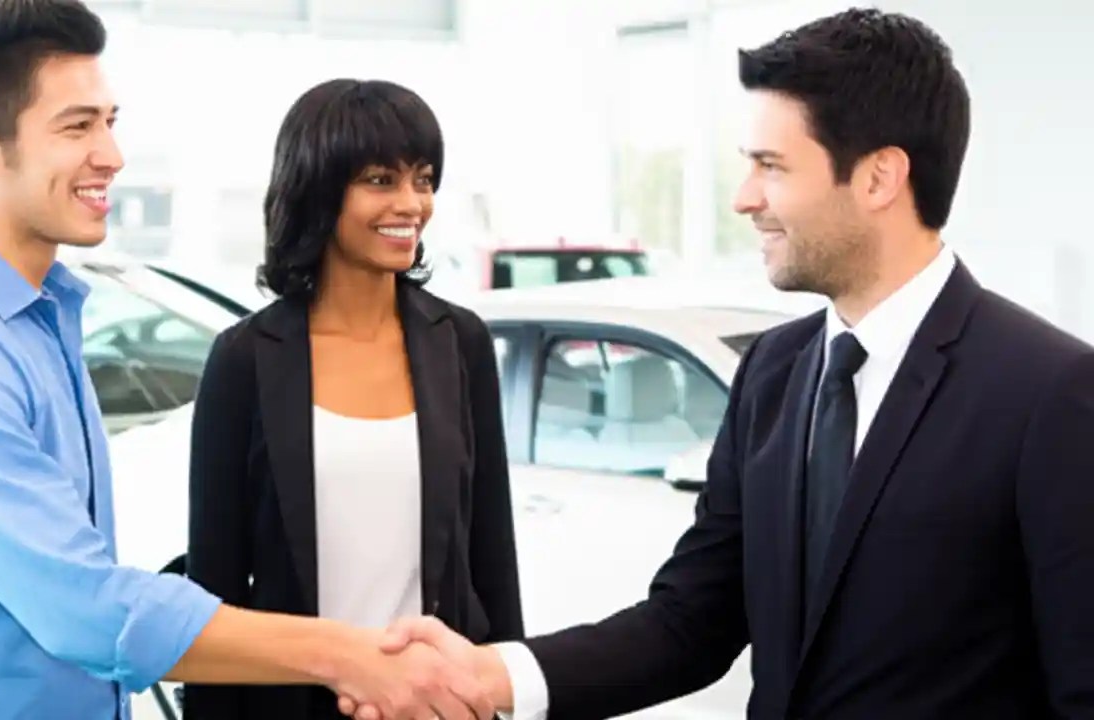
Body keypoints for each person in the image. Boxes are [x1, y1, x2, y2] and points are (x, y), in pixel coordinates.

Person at [347, 7, 1094, 720]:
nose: (744, 199)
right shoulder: (775, 371)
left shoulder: (1049, 393)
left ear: (878, 178)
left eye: (771, 166)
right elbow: (693, 621)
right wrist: (489, 674)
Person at [0, 2, 495, 719]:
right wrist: (351, 658)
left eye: (109, 122)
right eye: (77, 126)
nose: (112, 156)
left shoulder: (39, 319)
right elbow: (89, 611)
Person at [181, 77, 525, 718]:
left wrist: (503, 692)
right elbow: (214, 593)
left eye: (422, 179)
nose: (411, 203)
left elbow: (492, 557)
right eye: (380, 180)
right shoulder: (245, 359)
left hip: (436, 703)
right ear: (317, 191)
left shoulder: (461, 343)